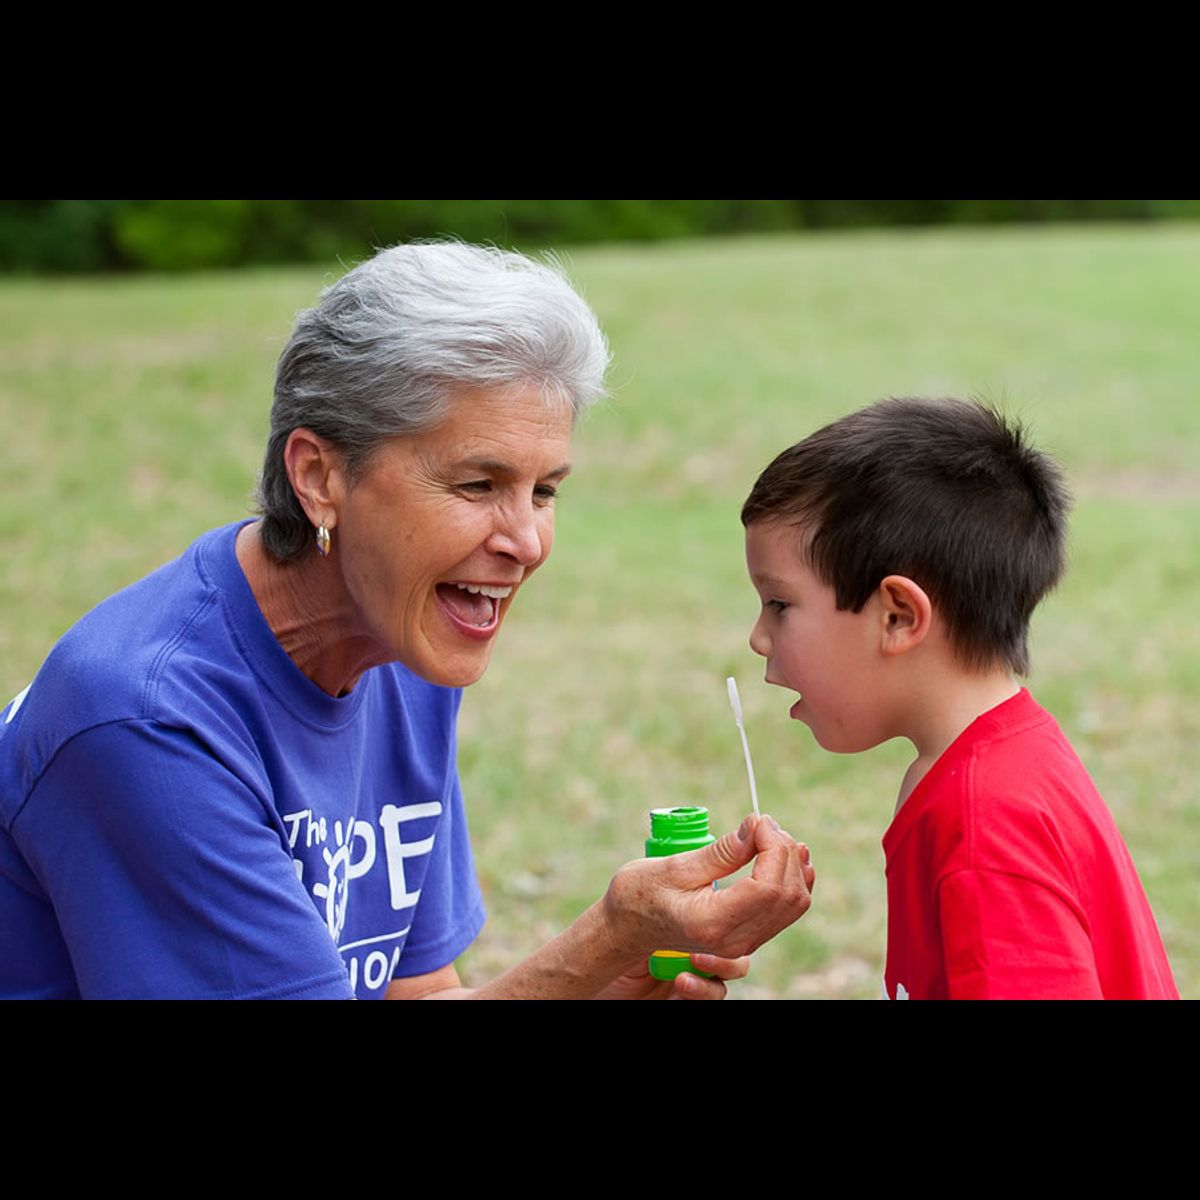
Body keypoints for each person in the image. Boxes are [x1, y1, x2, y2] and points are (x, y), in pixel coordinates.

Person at [0, 241, 814, 1000]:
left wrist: (616, 976)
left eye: (545, 490)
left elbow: (412, 989)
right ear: (319, 476)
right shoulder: (147, 721)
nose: (527, 541)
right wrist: (605, 940)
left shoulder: (401, 641)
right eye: (475, 485)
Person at [741, 397, 1178, 1000]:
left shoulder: (985, 824)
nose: (758, 636)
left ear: (898, 617)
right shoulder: (989, 764)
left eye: (779, 604)